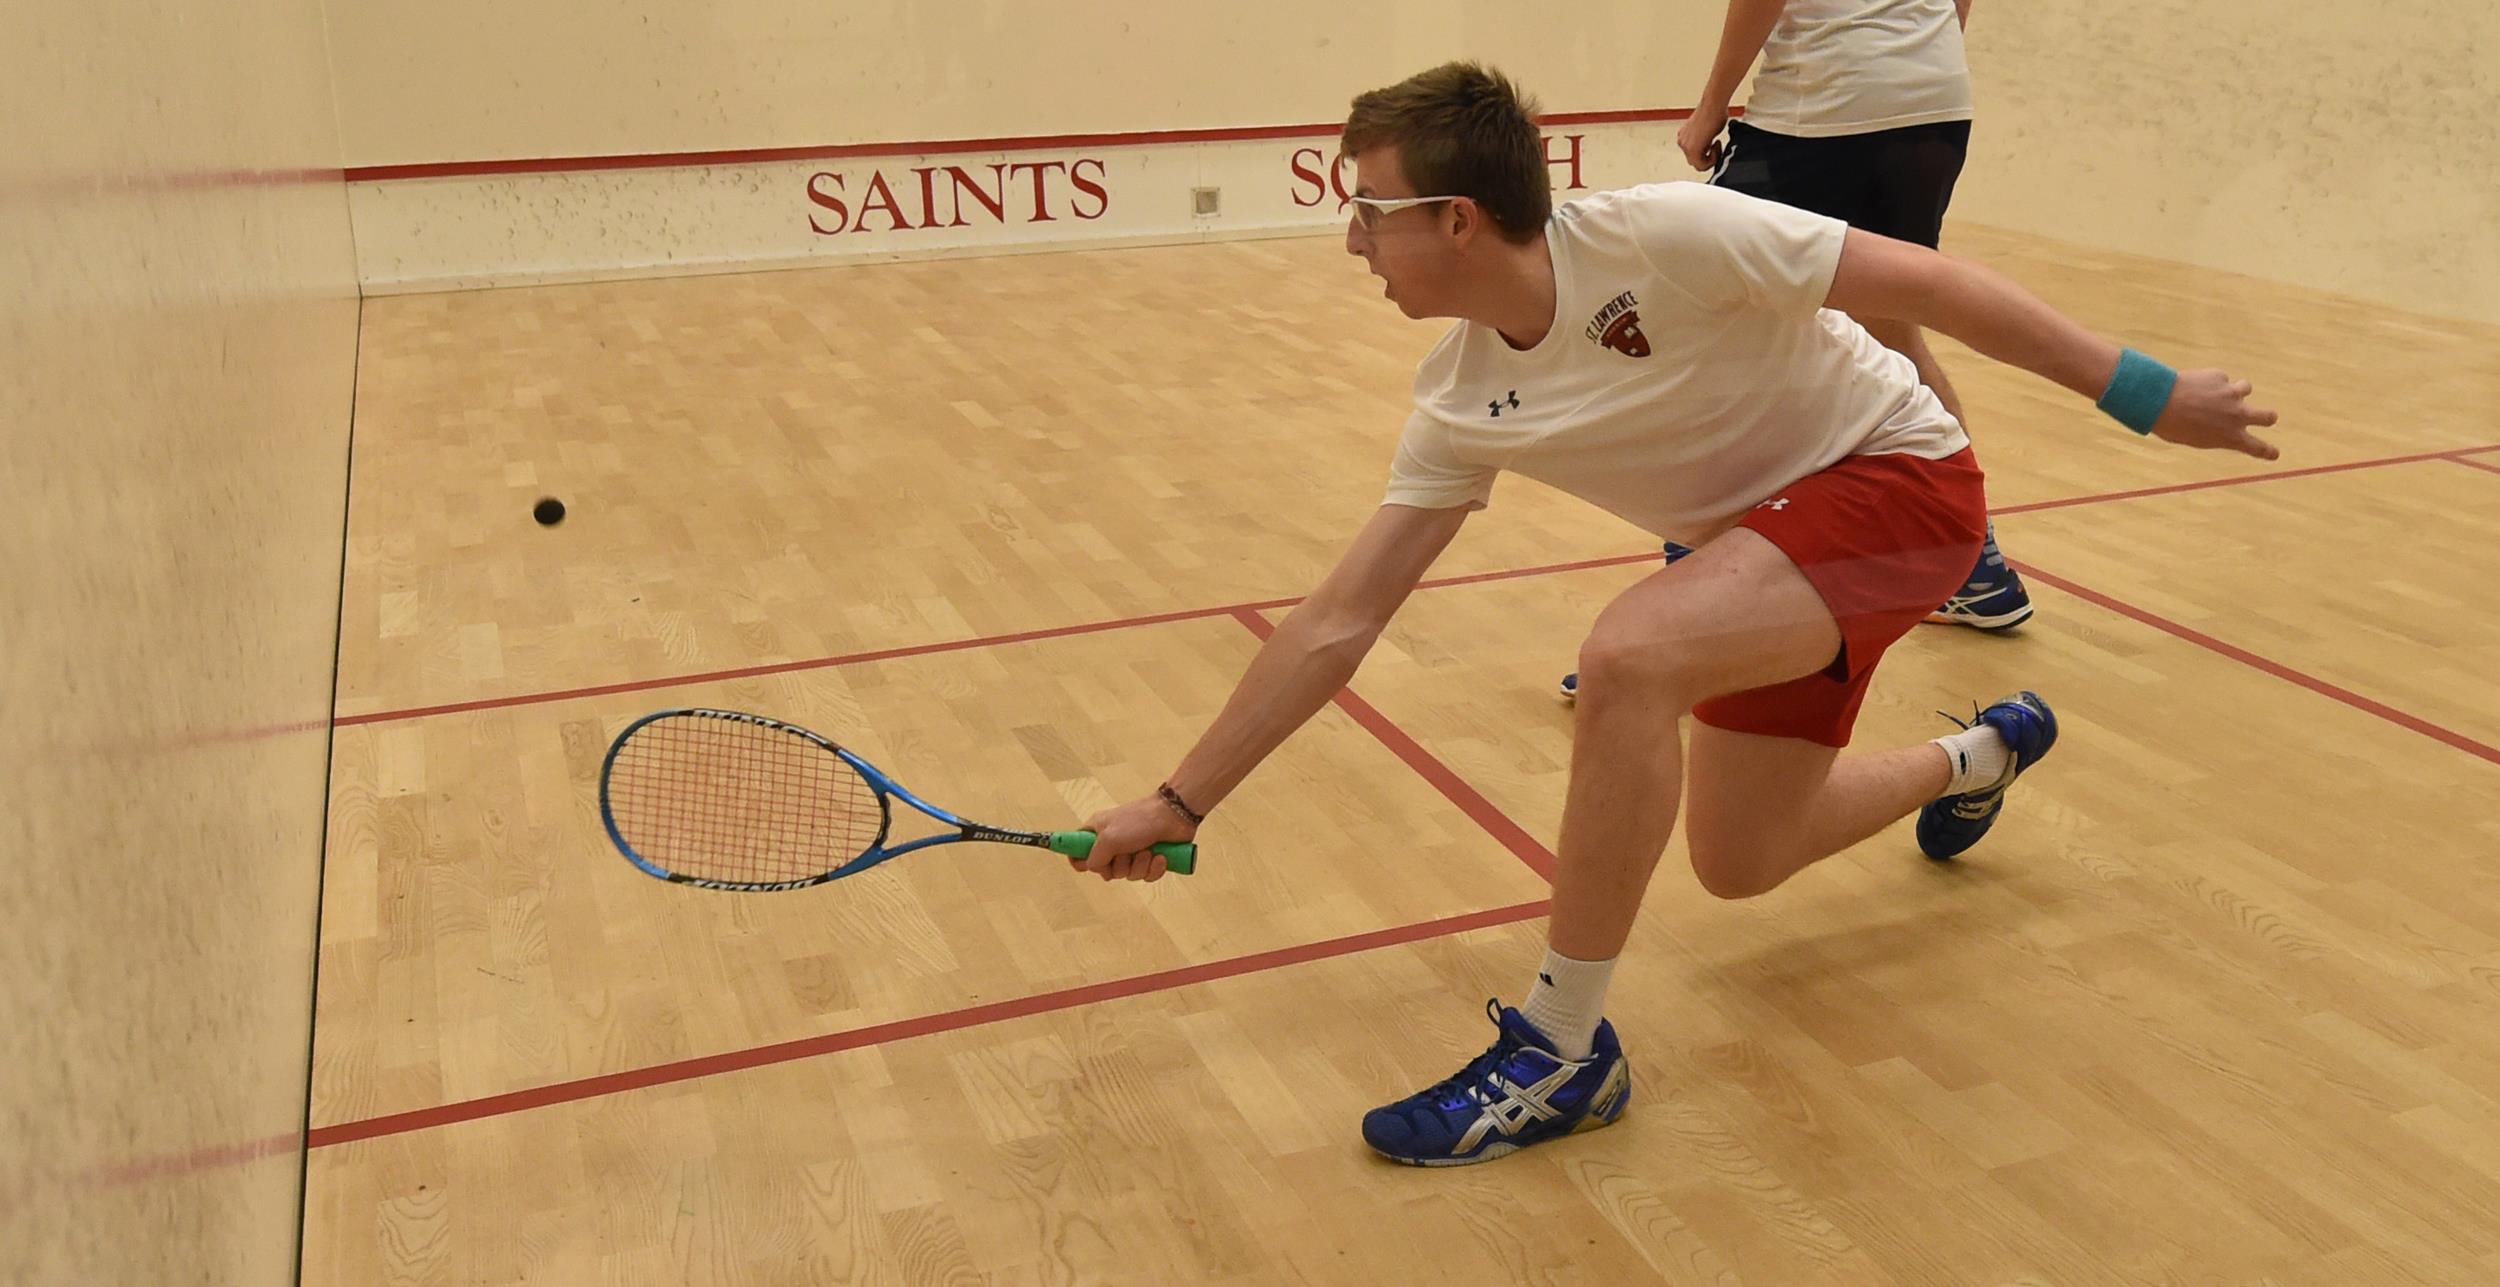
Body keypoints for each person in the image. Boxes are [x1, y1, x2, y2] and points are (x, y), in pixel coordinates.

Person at [1075, 62, 2277, 1167]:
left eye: (1372, 208)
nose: (1352, 239)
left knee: (1629, 655)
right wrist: (1183, 799)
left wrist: (2142, 391)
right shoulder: (1455, 400)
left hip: (1898, 487)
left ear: (1457, 216)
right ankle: (1981, 752)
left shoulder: (1668, 232)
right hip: (1760, 555)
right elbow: (1339, 619)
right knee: (1742, 861)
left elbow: (1927, 283)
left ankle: (1559, 1052)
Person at [1561, 0, 2018, 705]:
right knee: (1885, 320)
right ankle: (1977, 569)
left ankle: (1694, 618)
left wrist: (1710, 107)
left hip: (1824, 110)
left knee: (1700, 315)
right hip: (1933, 99)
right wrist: (1908, 56)